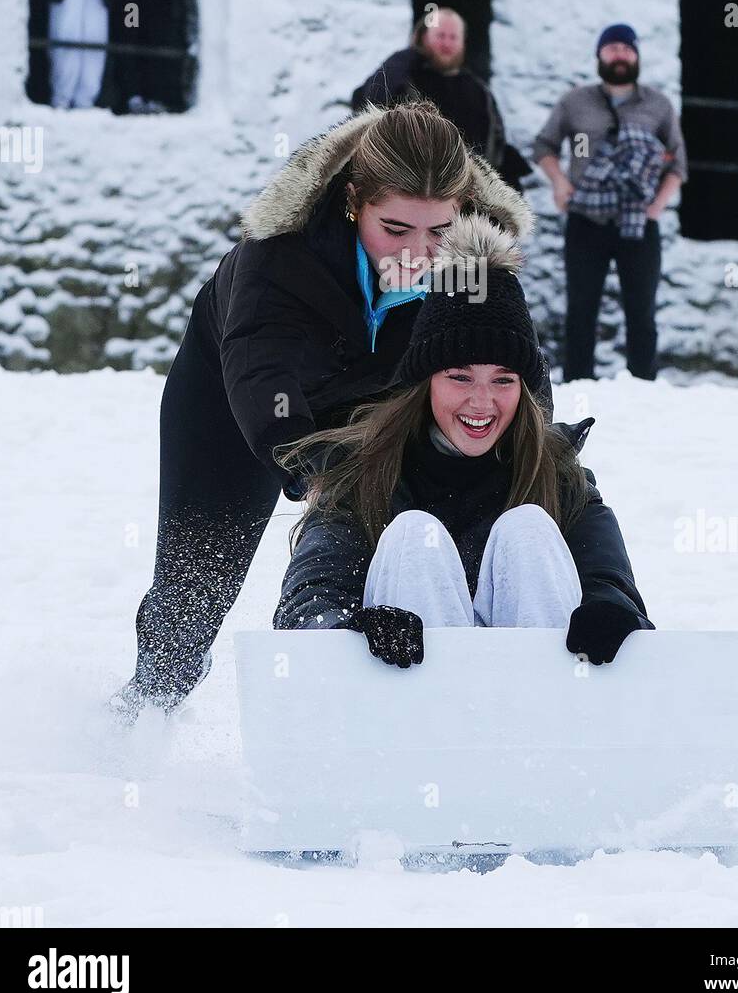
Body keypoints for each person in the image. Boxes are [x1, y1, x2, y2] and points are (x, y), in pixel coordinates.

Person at [110, 101, 535, 721]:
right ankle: (150, 702)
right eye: (395, 229)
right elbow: (263, 373)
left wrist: (540, 455)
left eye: (438, 231)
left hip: (379, 407)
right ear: (352, 199)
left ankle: (402, 713)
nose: (419, 253)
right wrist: (311, 466)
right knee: (196, 579)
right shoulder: (279, 256)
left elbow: (513, 366)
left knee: (409, 545)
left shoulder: (472, 269)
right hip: (237, 403)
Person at [274, 211, 654, 668]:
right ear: (426, 382)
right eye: (459, 377)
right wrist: (349, 627)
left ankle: (549, 726)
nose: (482, 402)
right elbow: (310, 598)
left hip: (537, 699)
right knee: (415, 536)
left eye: (503, 380)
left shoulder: (555, 471)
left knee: (528, 528)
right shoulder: (365, 468)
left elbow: (608, 579)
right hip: (403, 706)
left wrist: (609, 610)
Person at [533, 23, 688, 382]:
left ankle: (644, 389)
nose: (620, 54)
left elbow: (677, 162)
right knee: (581, 310)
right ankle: (575, 387)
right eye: (612, 48)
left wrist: (658, 206)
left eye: (626, 49)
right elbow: (544, 146)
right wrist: (559, 183)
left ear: (636, 56)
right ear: (599, 56)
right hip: (586, 219)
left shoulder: (658, 106)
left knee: (642, 312)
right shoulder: (575, 102)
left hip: (638, 221)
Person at [351, 8, 532, 190]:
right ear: (424, 37)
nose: (447, 43)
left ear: (463, 43)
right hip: (409, 189)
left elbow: (495, 145)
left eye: (453, 37)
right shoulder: (403, 79)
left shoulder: (479, 91)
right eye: (440, 35)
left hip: (469, 195)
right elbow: (369, 105)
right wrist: (403, 58)